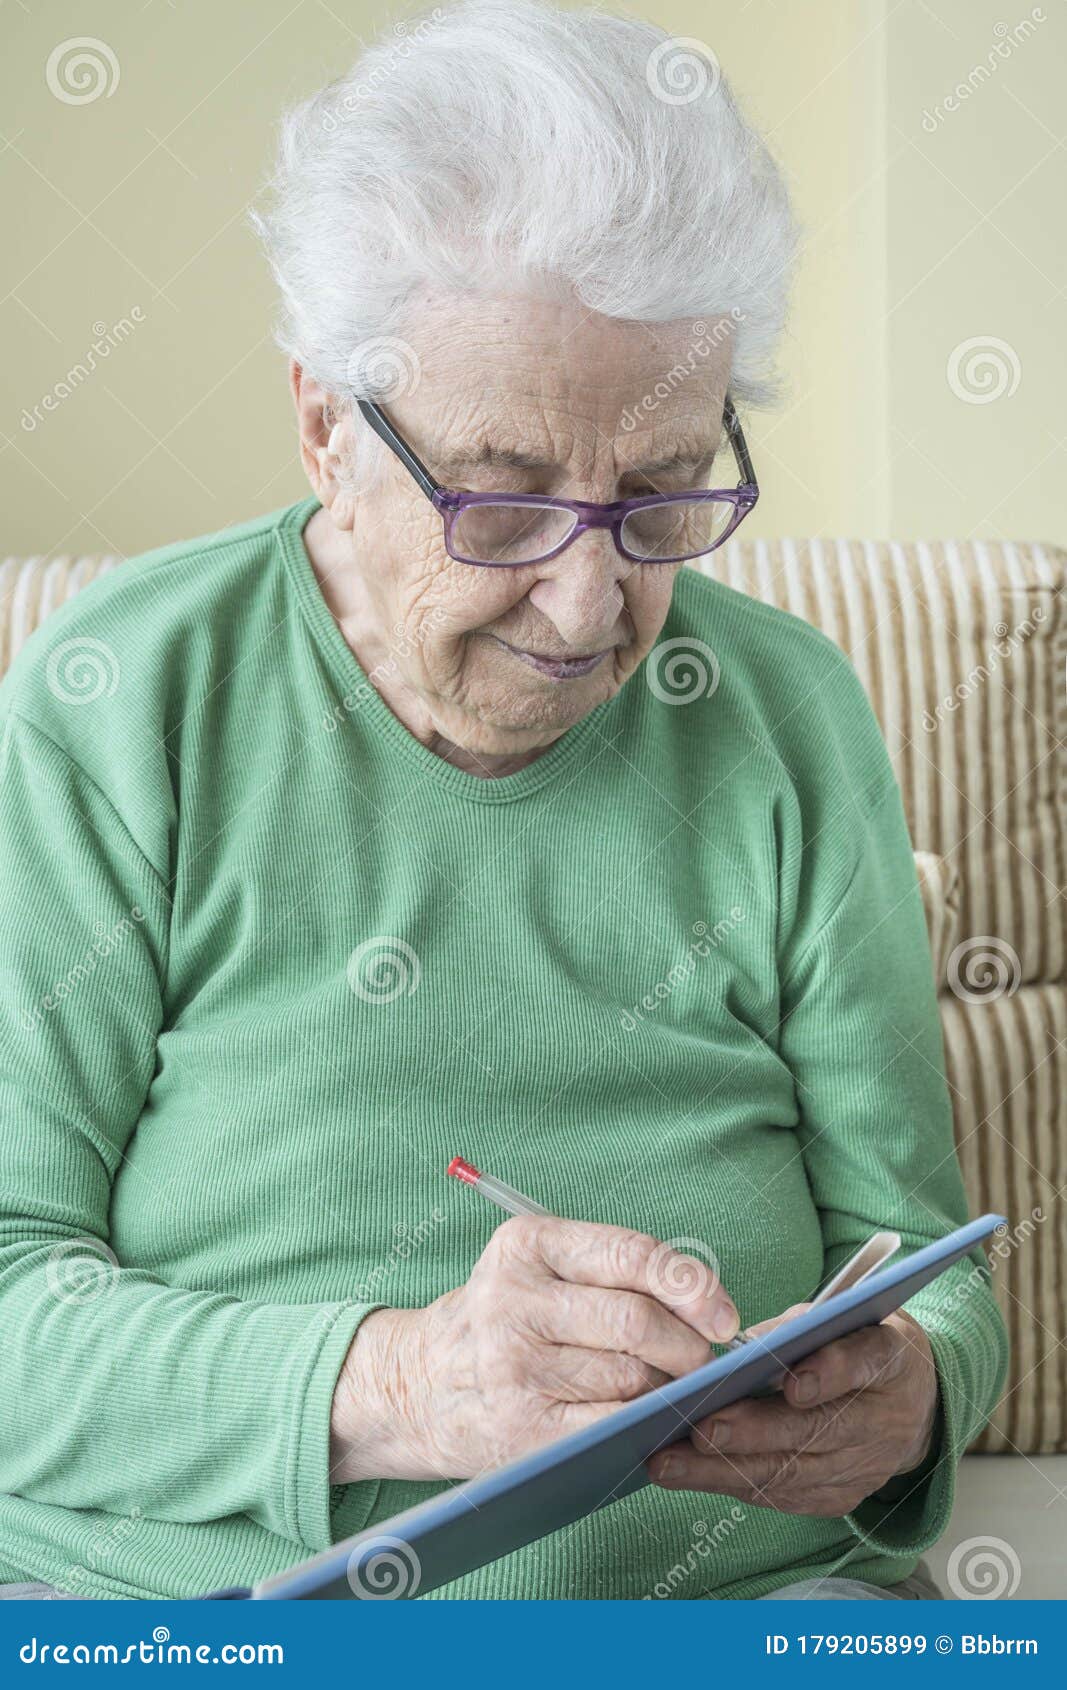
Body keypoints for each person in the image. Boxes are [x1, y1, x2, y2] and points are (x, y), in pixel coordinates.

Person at [0, 0, 1005, 1601]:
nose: (588, 604)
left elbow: (931, 1266)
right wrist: (397, 1379)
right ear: (327, 428)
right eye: (505, 494)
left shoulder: (791, 714)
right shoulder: (118, 702)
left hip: (742, 1613)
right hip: (202, 1620)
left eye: (666, 487)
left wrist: (909, 1398)